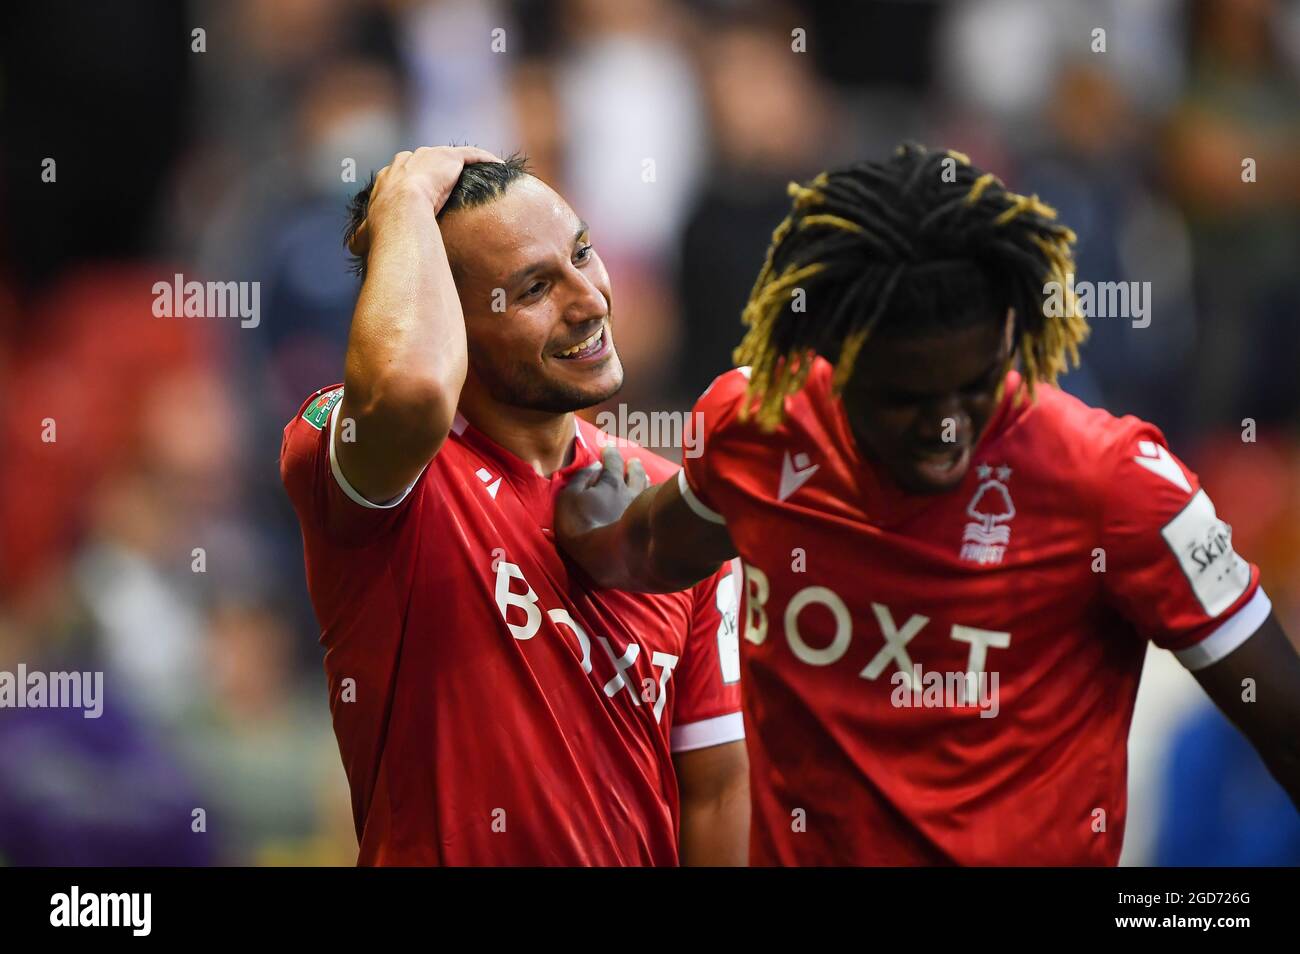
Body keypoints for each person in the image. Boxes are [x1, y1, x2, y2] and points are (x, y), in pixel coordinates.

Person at [555, 143, 1300, 865]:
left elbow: (1286, 728)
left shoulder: (1117, 486)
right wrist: (599, 525)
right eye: (903, 399)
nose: (946, 426)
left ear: (1013, 335)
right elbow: (649, 549)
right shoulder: (761, 427)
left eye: (976, 386)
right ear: (832, 351)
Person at [280, 146, 748, 865]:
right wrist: (401, 196)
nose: (590, 300)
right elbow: (408, 393)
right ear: (448, 323)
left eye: (583, 253)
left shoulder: (675, 509)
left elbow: (718, 792)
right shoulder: (367, 469)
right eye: (533, 290)